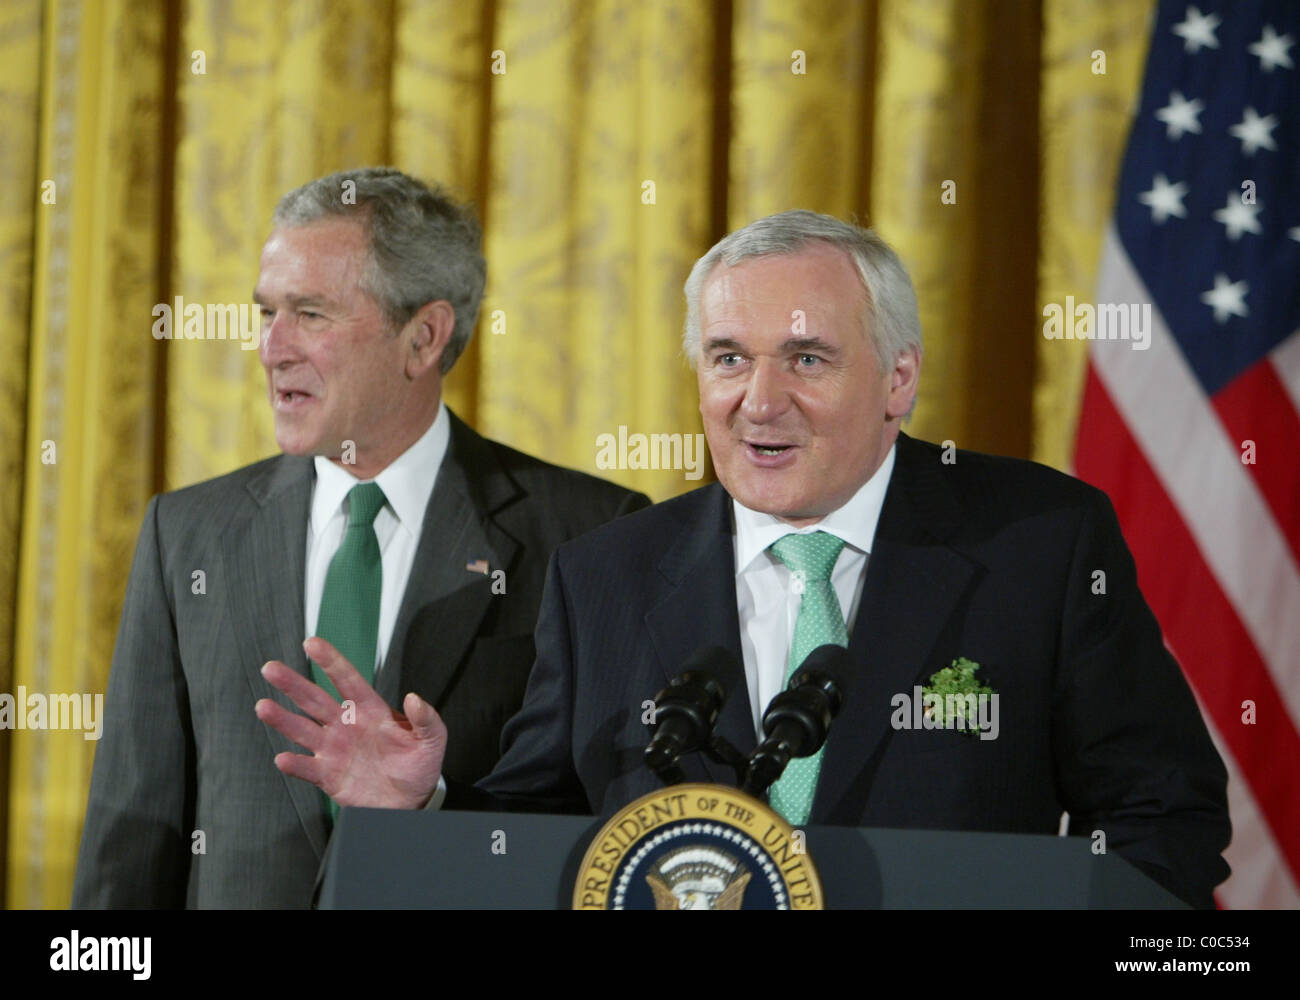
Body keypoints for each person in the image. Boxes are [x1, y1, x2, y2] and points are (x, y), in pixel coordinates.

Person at [258, 210, 1231, 909]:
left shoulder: (1039, 542)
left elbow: (1163, 812)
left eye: (805, 358)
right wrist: (426, 802)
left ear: (897, 379)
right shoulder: (608, 571)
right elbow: (539, 834)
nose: (758, 400)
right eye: (727, 357)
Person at [72, 168, 649, 908]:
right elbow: (133, 835)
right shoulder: (186, 534)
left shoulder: (590, 532)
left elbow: (606, 836)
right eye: (266, 312)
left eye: (311, 314)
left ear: (424, 337)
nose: (272, 348)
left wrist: (433, 801)